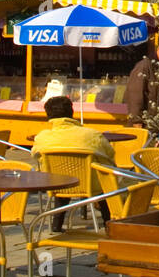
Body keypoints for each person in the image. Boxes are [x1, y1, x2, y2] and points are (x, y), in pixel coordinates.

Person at [31, 95, 117, 223]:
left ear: (48, 115)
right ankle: (108, 221)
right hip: (92, 185)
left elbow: (35, 156)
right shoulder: (92, 134)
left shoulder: (42, 138)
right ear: (71, 112)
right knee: (106, 180)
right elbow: (110, 156)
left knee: (59, 179)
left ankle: (56, 225)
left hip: (57, 184)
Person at [125, 44, 159, 126]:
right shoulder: (144, 66)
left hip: (158, 124)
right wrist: (136, 120)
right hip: (145, 124)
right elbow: (135, 95)